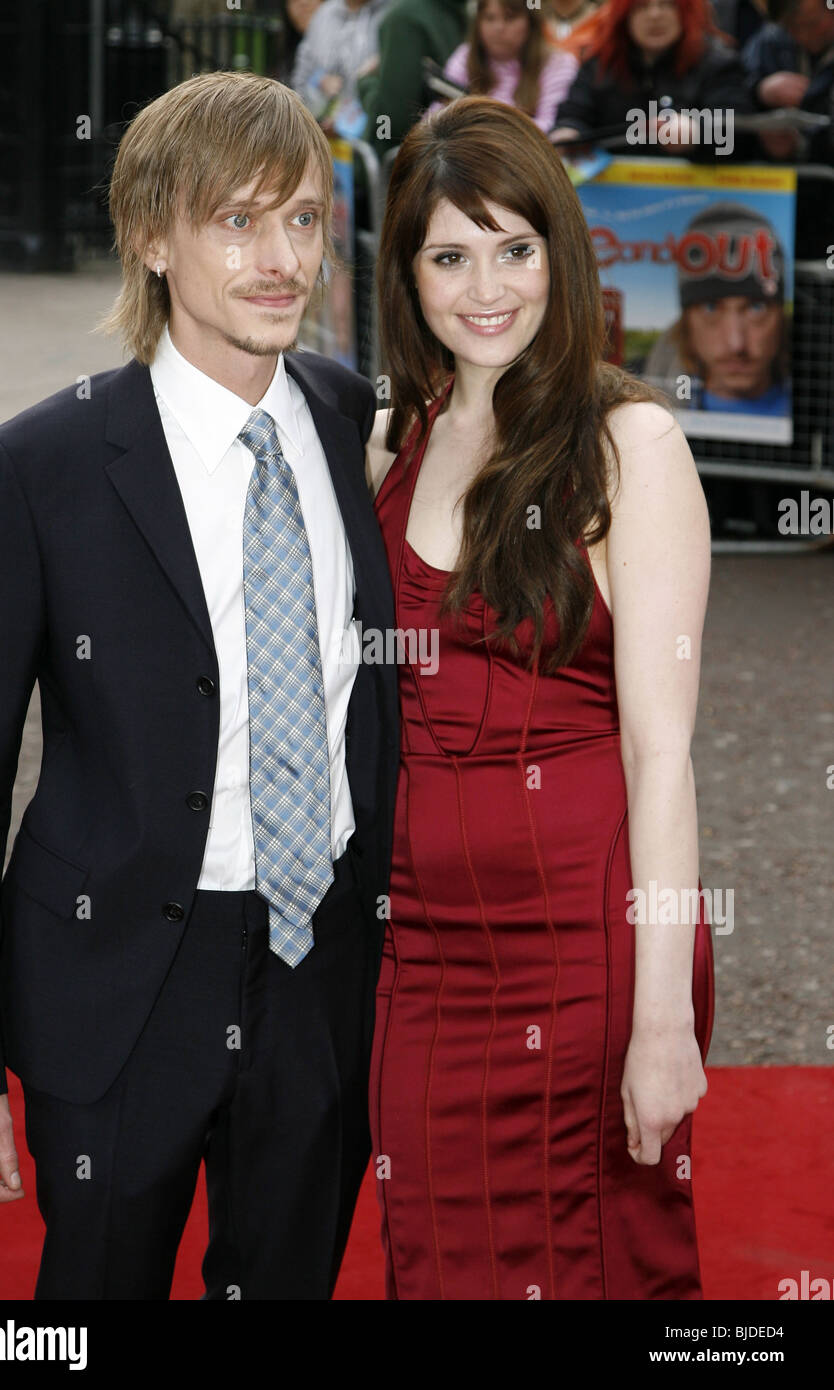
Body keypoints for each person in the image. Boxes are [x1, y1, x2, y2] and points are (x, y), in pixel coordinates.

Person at [0, 71, 399, 1300]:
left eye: (300, 218)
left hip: (319, 963)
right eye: (234, 220)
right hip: (120, 979)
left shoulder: (349, 417)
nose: (278, 257)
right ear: (150, 237)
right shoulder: (35, 467)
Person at [365, 96, 715, 1300]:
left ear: (560, 252)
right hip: (423, 955)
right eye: (449, 255)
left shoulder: (631, 446)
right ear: (406, 275)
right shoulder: (397, 439)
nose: (487, 289)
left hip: (589, 955)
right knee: (441, 1260)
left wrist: (661, 1018)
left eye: (515, 248)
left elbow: (662, 757)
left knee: (595, 1266)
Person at [550, 0, 752, 159]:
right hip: (614, 196)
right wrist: (568, 133)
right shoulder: (600, 64)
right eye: (641, 6)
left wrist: (696, 132)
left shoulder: (718, 62)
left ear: (686, 12)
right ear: (624, 15)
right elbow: (573, 114)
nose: (655, 15)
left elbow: (742, 129)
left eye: (667, 4)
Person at [643, 204, 790, 416]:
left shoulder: (816, 402)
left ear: (780, 315)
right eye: (711, 308)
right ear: (687, 322)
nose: (736, 344)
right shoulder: (643, 409)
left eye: (756, 308)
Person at [428, 0, 579, 134]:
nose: (499, 27)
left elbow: (551, 127)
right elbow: (435, 116)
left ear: (531, 21)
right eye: (489, 18)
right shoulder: (465, 55)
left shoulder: (558, 63)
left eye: (510, 18)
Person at [358, 0, 469, 154]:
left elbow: (391, 124)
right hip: (457, 156)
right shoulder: (472, 12)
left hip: (408, 163)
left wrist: (366, 84)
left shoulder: (406, 18)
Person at [742, 0, 834, 161]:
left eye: (813, 24)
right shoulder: (769, 42)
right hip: (778, 174)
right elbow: (731, 92)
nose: (804, 35)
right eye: (793, 27)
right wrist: (760, 90)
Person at [290, 0, 390, 133]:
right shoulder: (324, 14)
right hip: (323, 136)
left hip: (375, 134)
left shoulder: (391, 14)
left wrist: (348, 123)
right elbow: (301, 79)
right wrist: (318, 81)